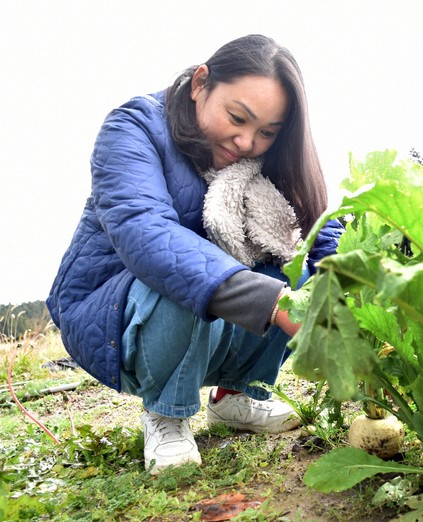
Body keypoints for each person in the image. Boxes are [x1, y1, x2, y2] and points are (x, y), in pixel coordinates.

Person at [46, 35, 343, 473]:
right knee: (184, 267)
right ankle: (167, 414)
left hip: (209, 319)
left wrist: (349, 285)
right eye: (237, 118)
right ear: (201, 83)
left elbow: (315, 228)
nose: (246, 142)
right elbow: (147, 235)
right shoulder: (133, 128)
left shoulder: (261, 158)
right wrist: (273, 302)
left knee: (296, 266)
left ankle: (238, 396)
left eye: (267, 133)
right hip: (114, 313)